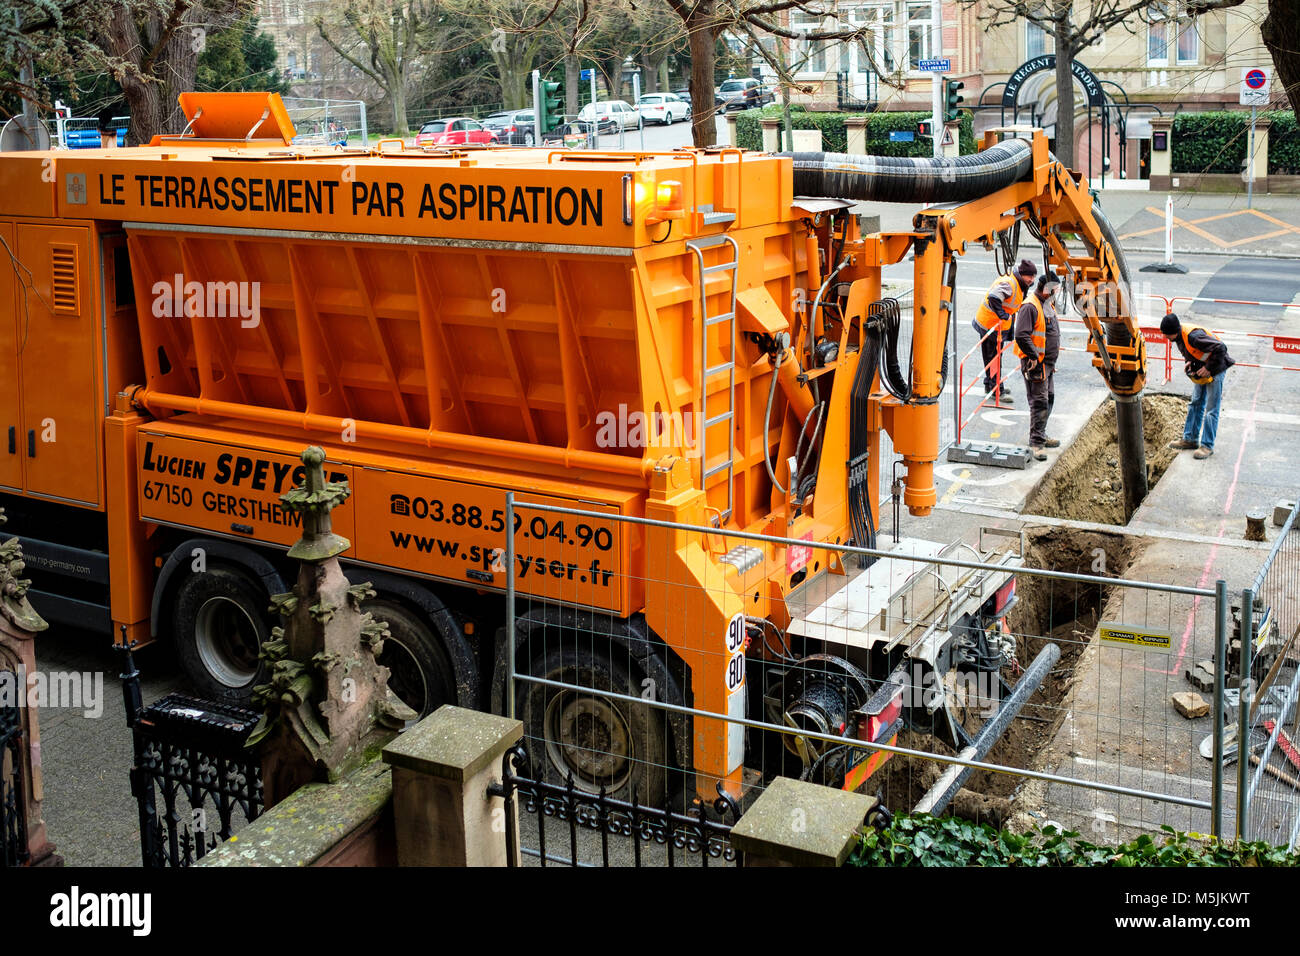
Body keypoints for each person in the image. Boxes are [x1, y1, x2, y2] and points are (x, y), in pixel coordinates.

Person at [1161, 313, 1235, 460]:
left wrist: (1208, 368)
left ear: (1173, 331)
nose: (1165, 337)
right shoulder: (1179, 337)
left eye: (1166, 334)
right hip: (1201, 369)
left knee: (1211, 409)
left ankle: (1207, 446)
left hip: (1215, 369)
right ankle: (1190, 439)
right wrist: (1189, 362)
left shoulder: (1194, 336)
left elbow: (1221, 348)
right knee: (1195, 403)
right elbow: (1194, 352)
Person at [973, 259, 1038, 405]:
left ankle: (989, 385)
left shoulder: (1019, 283)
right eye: (1030, 276)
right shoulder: (1009, 283)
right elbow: (994, 298)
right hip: (990, 324)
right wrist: (1002, 314)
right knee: (993, 359)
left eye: (1034, 276)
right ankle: (996, 390)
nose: (1032, 279)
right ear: (1022, 274)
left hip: (996, 325)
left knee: (994, 357)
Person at [1013, 273, 1061, 461]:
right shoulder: (1030, 307)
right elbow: (1021, 335)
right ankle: (1036, 443)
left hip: (1047, 364)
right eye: (1055, 290)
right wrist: (1033, 356)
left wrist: (1051, 361)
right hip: (1036, 363)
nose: (1056, 293)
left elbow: (1049, 333)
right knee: (1039, 401)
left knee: (1049, 398)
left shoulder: (1046, 304)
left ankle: (1041, 433)